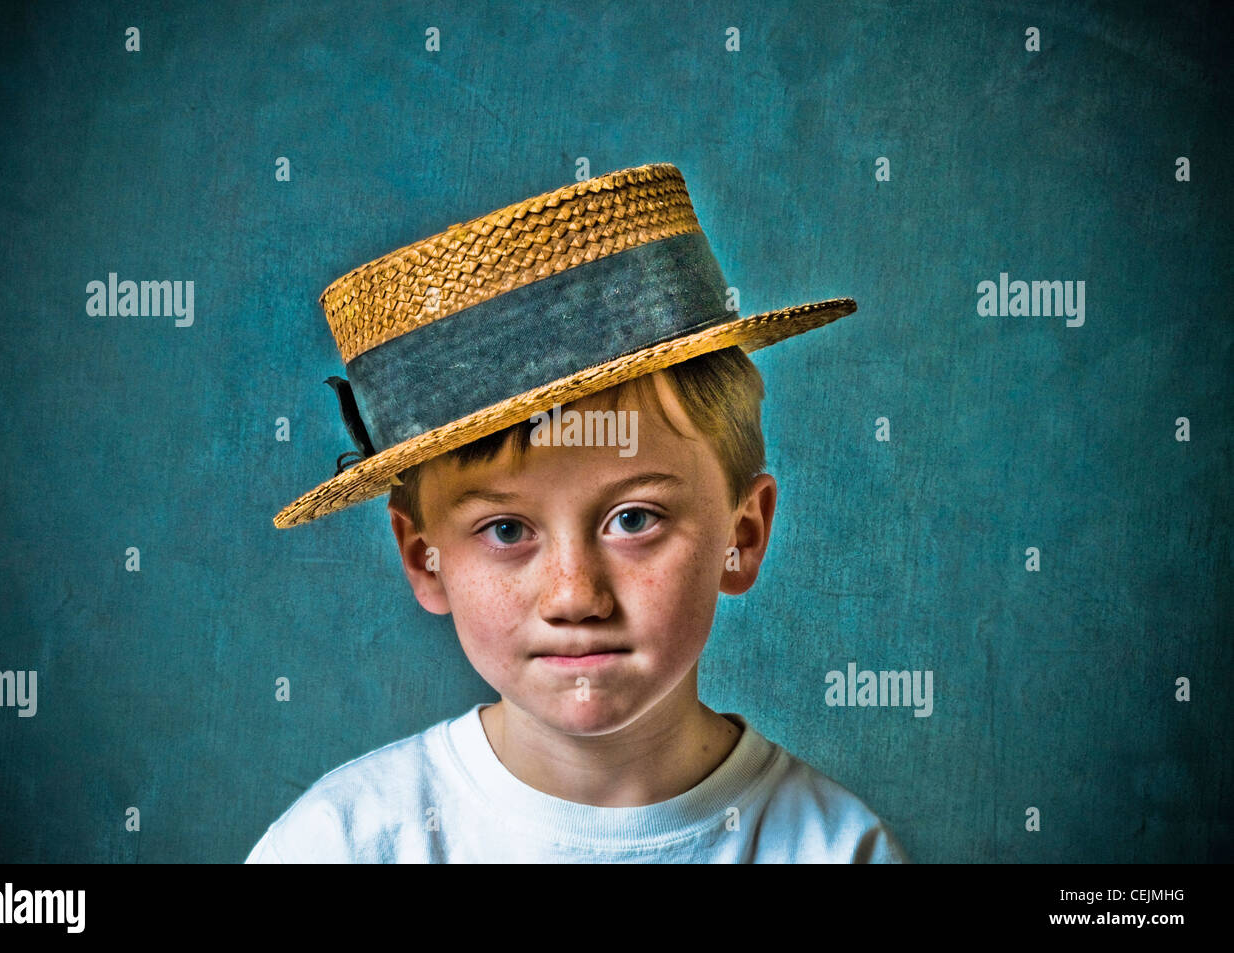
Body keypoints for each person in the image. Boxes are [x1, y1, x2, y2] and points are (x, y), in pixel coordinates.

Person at [247, 163, 908, 863]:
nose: (574, 595)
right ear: (423, 558)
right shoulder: (341, 844)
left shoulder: (834, 850)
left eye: (634, 519)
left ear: (741, 534)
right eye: (506, 530)